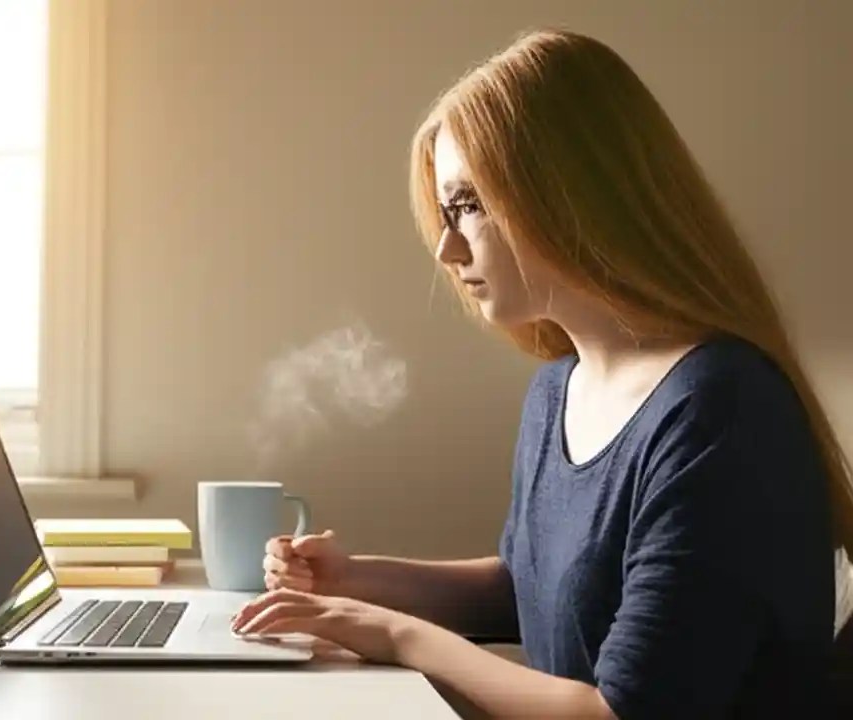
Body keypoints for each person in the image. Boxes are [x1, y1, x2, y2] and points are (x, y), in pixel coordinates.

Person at [230, 28, 849, 719]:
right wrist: (357, 582)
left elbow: (617, 712)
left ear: (567, 193)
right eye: (444, 211)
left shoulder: (720, 413)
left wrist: (396, 634)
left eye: (467, 205)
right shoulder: (558, 389)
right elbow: (529, 587)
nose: (444, 245)